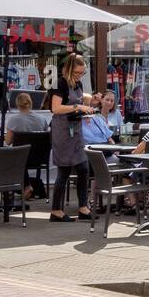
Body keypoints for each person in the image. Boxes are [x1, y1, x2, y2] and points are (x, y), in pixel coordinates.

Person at [48, 53, 95, 222]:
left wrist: (86, 109)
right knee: (64, 170)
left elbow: (78, 104)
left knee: (83, 168)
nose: (79, 76)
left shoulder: (78, 84)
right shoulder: (59, 83)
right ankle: (56, 210)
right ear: (68, 69)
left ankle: (83, 207)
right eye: (77, 73)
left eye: (82, 73)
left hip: (75, 130)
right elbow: (56, 108)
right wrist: (78, 106)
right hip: (62, 131)